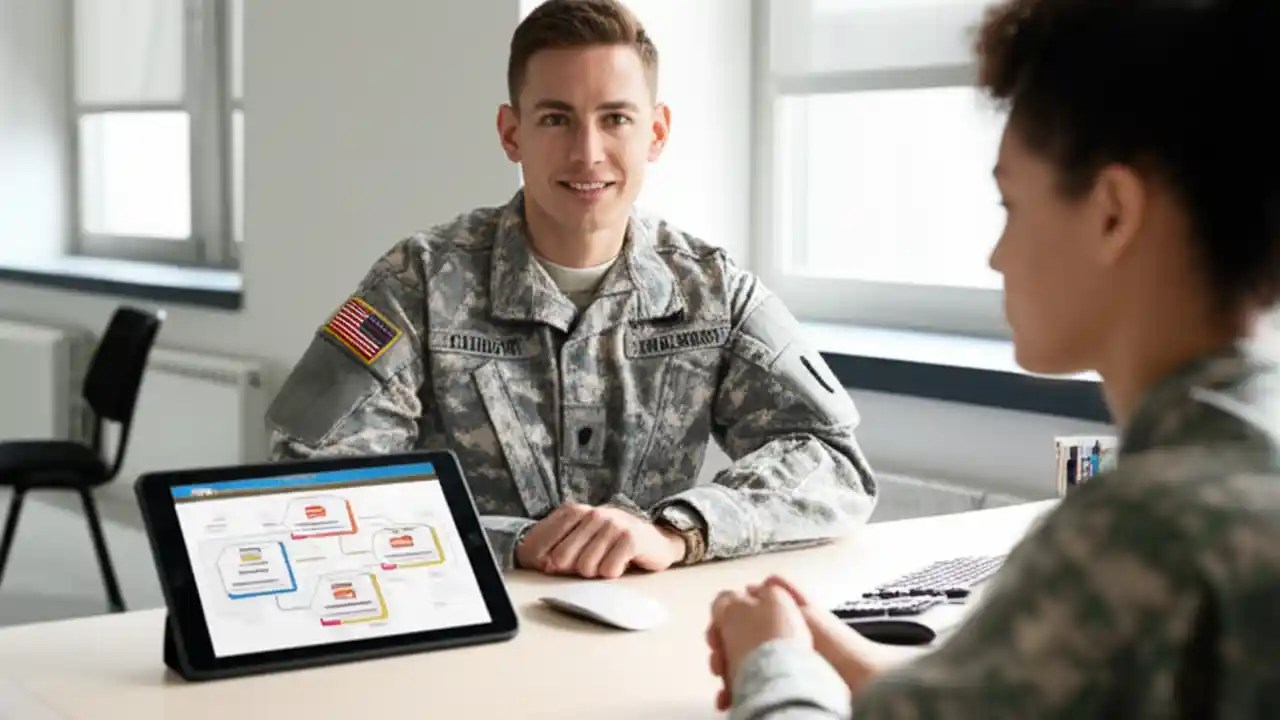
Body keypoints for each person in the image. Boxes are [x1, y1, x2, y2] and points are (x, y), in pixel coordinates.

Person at [706, 0, 1280, 717]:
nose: (996, 256)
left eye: (1010, 204)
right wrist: (851, 666)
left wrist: (773, 665)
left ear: (1112, 213)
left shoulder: (1135, 537)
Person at [266, 0, 876, 577]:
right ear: (512, 134)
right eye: (556, 119)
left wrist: (677, 531)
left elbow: (835, 464)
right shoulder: (419, 284)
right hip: (471, 619)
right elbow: (310, 481)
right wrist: (510, 541)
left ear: (656, 132)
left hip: (646, 626)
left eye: (616, 119)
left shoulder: (710, 290)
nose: (587, 153)